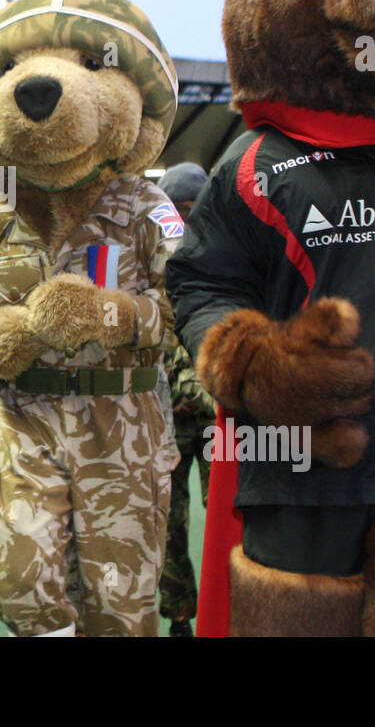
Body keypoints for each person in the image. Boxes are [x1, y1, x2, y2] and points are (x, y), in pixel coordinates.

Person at [155, 162, 215, 637]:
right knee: (169, 527)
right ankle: (179, 617)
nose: (182, 222)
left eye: (190, 211)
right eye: (175, 211)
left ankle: (225, 610)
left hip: (218, 421)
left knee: (225, 520)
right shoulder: (149, 262)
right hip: (167, 419)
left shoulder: (227, 255)